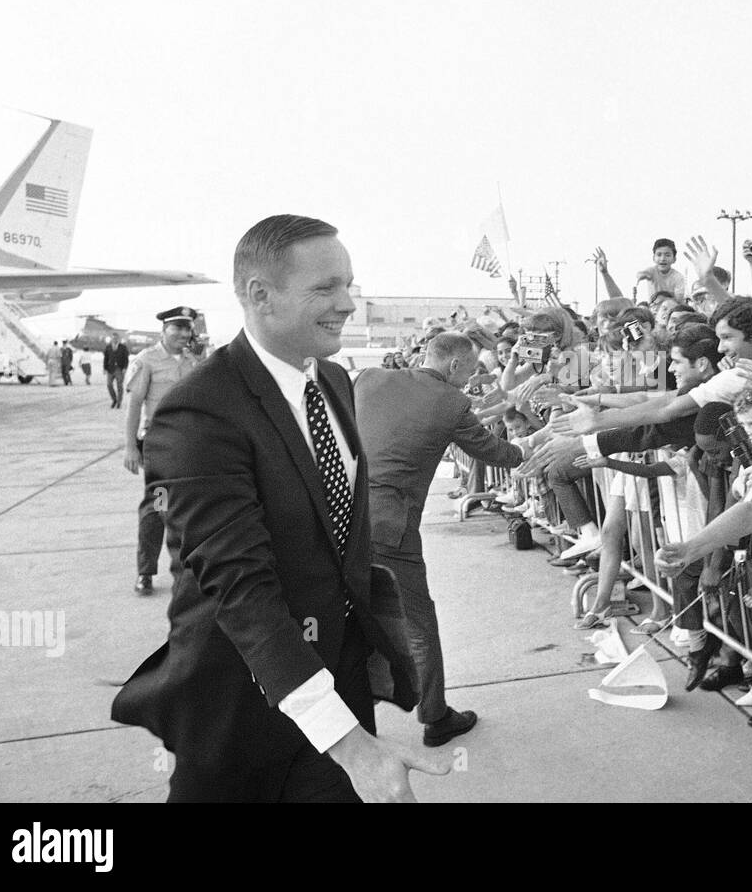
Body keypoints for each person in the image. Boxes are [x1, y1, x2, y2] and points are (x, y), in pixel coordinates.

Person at [111, 214, 447, 802]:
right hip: (240, 696)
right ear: (259, 295)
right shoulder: (201, 411)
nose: (347, 303)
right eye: (325, 288)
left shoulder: (336, 382)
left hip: (335, 681)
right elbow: (238, 586)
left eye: (349, 285)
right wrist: (349, 744)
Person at [355, 331, 524, 747]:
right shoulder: (451, 402)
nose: (470, 378)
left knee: (350, 613)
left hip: (344, 517)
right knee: (419, 625)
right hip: (390, 526)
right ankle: (435, 717)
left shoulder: (370, 378)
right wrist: (529, 448)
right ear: (453, 366)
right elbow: (493, 451)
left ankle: (350, 711)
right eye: (469, 370)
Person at [123, 306, 201, 595]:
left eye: (187, 328)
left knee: (188, 509)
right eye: (177, 328)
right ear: (164, 330)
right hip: (159, 446)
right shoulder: (147, 360)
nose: (183, 333)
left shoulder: (194, 361)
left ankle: (183, 572)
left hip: (190, 447)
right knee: (157, 507)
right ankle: (145, 572)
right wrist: (130, 447)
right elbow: (134, 405)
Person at [104, 333, 129, 408]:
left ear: (119, 339)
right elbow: (106, 358)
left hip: (119, 369)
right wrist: (105, 368)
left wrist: (125, 368)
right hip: (110, 369)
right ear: (112, 339)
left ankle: (119, 402)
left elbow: (126, 359)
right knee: (109, 385)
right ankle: (114, 399)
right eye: (113, 338)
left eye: (116, 338)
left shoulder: (123, 347)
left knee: (119, 386)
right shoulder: (108, 347)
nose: (115, 339)